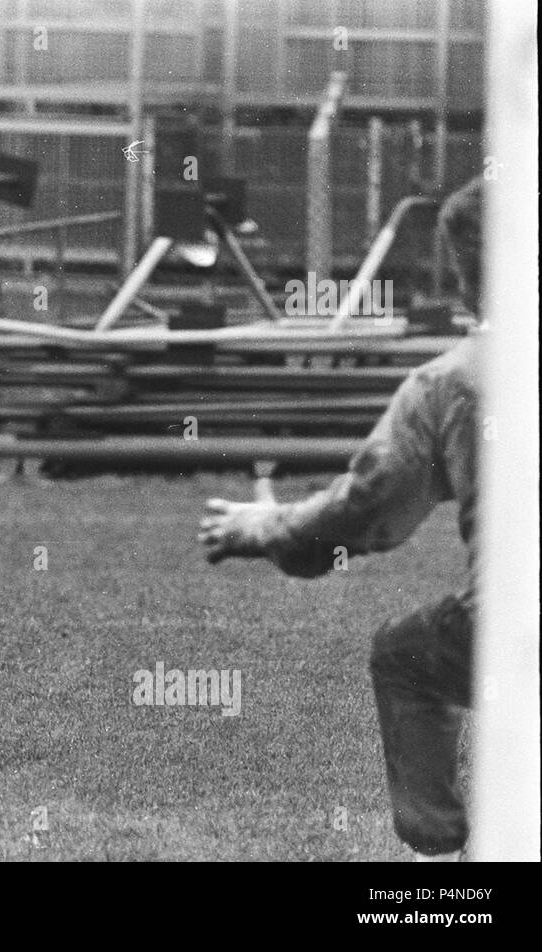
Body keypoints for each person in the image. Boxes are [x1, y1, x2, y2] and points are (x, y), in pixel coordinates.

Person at [198, 176, 484, 860]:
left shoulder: (456, 381)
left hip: (518, 623)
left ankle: (442, 874)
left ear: (464, 275)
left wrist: (264, 529)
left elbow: (367, 511)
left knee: (407, 654)